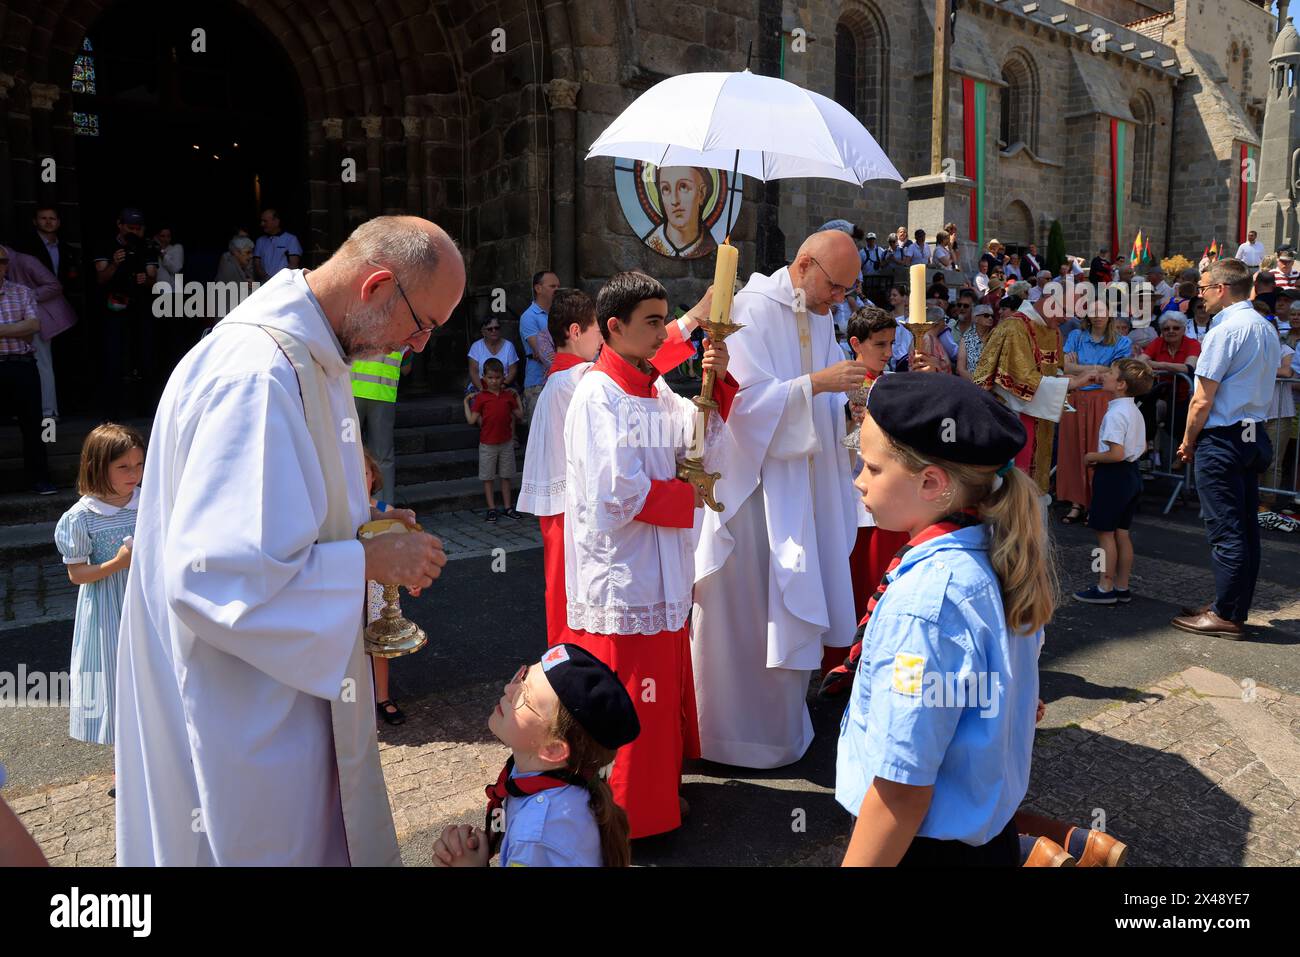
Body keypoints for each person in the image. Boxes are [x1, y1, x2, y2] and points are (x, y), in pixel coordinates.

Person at [115, 216, 457, 866]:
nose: (417, 346)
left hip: (292, 696)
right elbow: (215, 577)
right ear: (377, 284)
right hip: (246, 715)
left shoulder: (316, 356)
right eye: (422, 326)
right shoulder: (257, 375)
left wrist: (370, 528)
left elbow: (286, 517)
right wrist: (367, 559)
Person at [837, 373, 1052, 866]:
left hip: (921, 846)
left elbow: (902, 787)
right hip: (979, 837)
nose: (859, 479)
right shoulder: (992, 550)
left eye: (871, 466)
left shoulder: (927, 604)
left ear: (931, 482)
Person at [563, 270, 736, 837]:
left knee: (656, 705)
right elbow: (617, 495)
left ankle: (657, 801)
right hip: (624, 577)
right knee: (630, 703)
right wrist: (689, 497)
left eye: (666, 318)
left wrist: (716, 388)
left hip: (661, 572)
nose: (665, 332)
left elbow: (694, 440)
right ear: (614, 327)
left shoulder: (653, 387)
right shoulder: (597, 395)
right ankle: (625, 820)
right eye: (654, 322)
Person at [692, 229, 864, 770]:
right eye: (835, 287)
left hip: (804, 486)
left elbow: (818, 400)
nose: (840, 300)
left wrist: (847, 406)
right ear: (805, 264)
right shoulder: (748, 308)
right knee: (747, 611)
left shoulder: (822, 313)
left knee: (790, 604)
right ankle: (726, 735)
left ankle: (784, 728)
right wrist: (817, 383)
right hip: (754, 492)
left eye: (846, 292)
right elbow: (740, 404)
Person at [516, 286, 703, 644]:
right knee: (573, 611)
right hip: (578, 509)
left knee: (561, 600)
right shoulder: (582, 380)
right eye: (598, 333)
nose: (604, 343)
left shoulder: (559, 380)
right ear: (575, 332)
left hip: (566, 506)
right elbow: (640, 375)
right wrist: (691, 319)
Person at [431, 644, 640, 867]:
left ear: (552, 749)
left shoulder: (535, 837)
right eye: (523, 677)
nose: (509, 690)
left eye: (525, 698)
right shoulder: (543, 780)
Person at [1171, 259, 1282, 639]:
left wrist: (1188, 441)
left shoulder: (1227, 330)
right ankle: (1230, 604)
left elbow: (1202, 399)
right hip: (1253, 434)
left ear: (1221, 288)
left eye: (1203, 288)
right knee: (1245, 526)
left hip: (1225, 436)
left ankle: (1227, 613)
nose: (1200, 295)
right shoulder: (1264, 327)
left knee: (1226, 527)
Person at [54, 424, 145, 775]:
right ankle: (127, 769)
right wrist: (118, 563)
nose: (133, 474)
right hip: (109, 611)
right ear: (97, 466)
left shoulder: (148, 501)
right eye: (123, 467)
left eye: (138, 464)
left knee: (152, 674)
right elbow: (77, 575)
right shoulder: (80, 518)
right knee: (115, 678)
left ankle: (160, 754)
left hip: (146, 603)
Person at [972, 296, 1100, 493]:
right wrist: (1072, 382)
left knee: (1035, 483)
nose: (1067, 319)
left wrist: (1069, 378)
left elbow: (1052, 370)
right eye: (1064, 311)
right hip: (1013, 414)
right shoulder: (1015, 328)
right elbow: (1021, 379)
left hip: (1040, 414)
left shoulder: (1052, 330)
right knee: (1014, 484)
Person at [1073, 359, 1155, 604]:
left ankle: (1104, 585)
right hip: (1131, 474)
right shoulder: (1134, 410)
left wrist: (1091, 456)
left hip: (1113, 475)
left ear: (1120, 384)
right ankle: (1121, 585)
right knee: (1122, 533)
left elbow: (1116, 453)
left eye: (1110, 372)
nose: (1105, 374)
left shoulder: (1116, 413)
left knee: (1104, 534)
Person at [1058, 305, 1133, 523]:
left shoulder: (1122, 341)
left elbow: (1115, 371)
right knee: (1073, 450)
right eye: (1093, 311)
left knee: (1098, 449)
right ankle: (1076, 502)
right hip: (1074, 397)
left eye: (1102, 311)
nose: (1098, 316)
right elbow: (1064, 366)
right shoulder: (1075, 335)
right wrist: (1098, 368)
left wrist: (1079, 367)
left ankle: (1097, 503)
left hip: (1103, 399)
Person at [0, 251, 56, 495]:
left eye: (2, 262)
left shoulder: (21, 291)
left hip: (21, 362)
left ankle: (40, 479)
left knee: (35, 425)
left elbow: (33, 327)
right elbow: (24, 327)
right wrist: (15, 329)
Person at [94, 208, 159, 417]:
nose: (134, 232)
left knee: (145, 357)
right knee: (114, 358)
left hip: (140, 307)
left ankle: (146, 408)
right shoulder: (106, 245)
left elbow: (152, 279)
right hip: (115, 306)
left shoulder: (147, 247)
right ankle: (112, 410)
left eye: (138, 228)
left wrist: (145, 280)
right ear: (120, 225)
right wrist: (115, 263)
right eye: (130, 227)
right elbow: (101, 278)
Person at [1, 243, 75, 420]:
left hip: (38, 317)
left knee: (41, 365)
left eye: (2, 262)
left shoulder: (25, 261)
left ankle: (47, 412)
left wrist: (24, 297)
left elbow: (54, 285)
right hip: (19, 321)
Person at [362, 449, 406, 726]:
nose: (359, 478)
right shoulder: (333, 513)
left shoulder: (384, 511)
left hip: (377, 587)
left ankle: (382, 696)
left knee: (380, 641)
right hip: (349, 585)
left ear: (373, 476)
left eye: (364, 473)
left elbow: (397, 551)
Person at [464, 356, 523, 522]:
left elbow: (520, 415)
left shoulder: (507, 396)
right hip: (487, 444)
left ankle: (508, 507)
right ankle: (491, 508)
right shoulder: (482, 397)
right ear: (484, 377)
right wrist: (465, 403)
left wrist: (517, 397)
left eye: (497, 378)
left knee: (506, 476)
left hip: (506, 442)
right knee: (488, 477)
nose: (494, 381)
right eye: (490, 377)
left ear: (503, 377)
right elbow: (471, 420)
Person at [645, 166, 718, 259]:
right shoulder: (650, 243)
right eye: (666, 189)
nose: (674, 201)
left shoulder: (711, 247)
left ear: (702, 193)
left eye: (683, 187)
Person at [520, 270, 559, 420]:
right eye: (552, 286)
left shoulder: (559, 313)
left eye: (558, 286)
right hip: (538, 383)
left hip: (557, 380)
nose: (557, 289)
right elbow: (542, 352)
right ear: (538, 288)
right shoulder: (529, 317)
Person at [466, 315, 519, 391]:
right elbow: (473, 372)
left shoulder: (509, 346)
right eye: (490, 329)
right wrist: (482, 390)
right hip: (480, 385)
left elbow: (513, 370)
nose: (494, 331)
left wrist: (504, 385)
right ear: (483, 331)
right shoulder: (476, 347)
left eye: (496, 328)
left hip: (504, 385)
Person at [252, 208, 303, 281]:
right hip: (263, 284)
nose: (262, 224)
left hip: (284, 284)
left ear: (276, 222)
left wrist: (278, 281)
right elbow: (257, 264)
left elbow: (293, 264)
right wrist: (266, 278)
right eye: (261, 221)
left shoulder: (291, 239)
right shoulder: (260, 241)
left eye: (265, 221)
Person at [957, 303, 996, 380]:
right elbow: (960, 369)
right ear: (976, 318)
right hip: (973, 385)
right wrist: (977, 382)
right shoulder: (966, 339)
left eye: (992, 316)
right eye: (986, 315)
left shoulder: (996, 338)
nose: (990, 318)